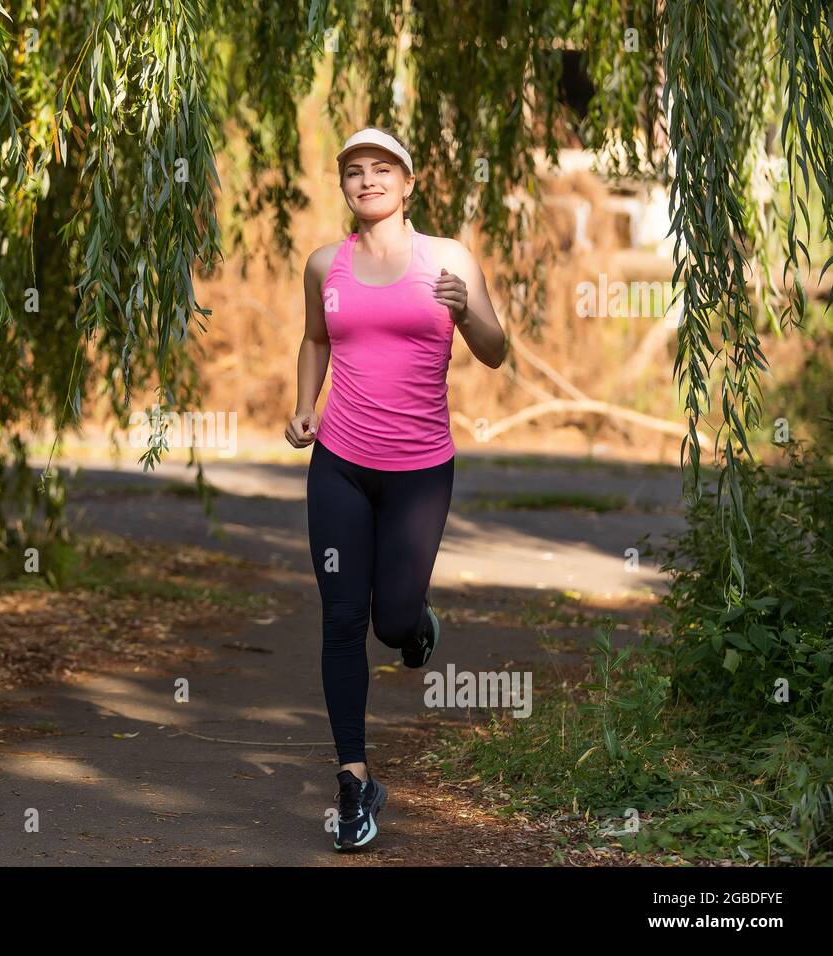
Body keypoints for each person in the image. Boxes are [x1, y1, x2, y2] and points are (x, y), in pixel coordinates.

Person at [286, 126, 507, 851]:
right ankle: (354, 783)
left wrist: (466, 306)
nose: (368, 179)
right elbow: (316, 337)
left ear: (409, 184)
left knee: (393, 620)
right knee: (343, 618)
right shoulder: (327, 263)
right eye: (354, 171)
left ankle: (416, 628)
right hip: (341, 465)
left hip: (418, 469)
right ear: (344, 186)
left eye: (382, 169)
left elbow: (495, 350)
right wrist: (303, 405)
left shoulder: (446, 260)